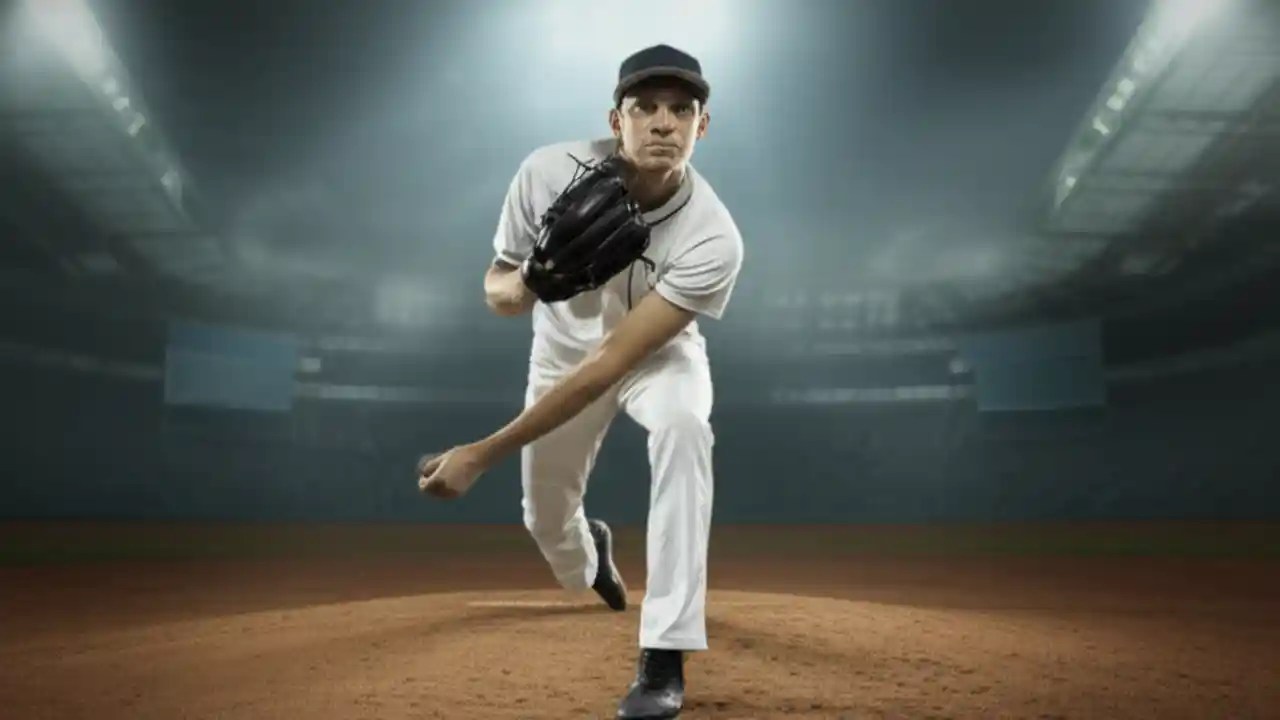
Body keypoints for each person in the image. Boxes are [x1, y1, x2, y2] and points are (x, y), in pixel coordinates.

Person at [416, 43, 743, 719]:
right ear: (615, 117)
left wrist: (478, 453)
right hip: (560, 354)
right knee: (545, 522)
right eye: (644, 107)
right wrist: (531, 281)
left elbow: (614, 363)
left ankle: (665, 651)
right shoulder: (545, 170)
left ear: (701, 126)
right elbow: (497, 291)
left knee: (685, 429)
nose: (662, 123)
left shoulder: (713, 236)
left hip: (658, 359)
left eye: (681, 110)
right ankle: (587, 548)